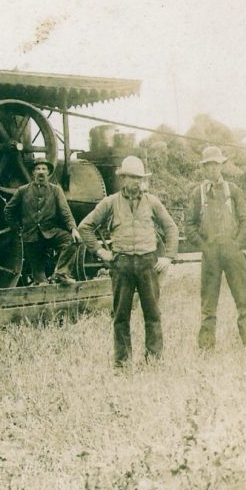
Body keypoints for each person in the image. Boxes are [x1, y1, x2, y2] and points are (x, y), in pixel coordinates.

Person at [78, 156, 178, 367]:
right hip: (121, 264)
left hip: (147, 263)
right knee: (121, 316)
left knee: (152, 314)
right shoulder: (110, 202)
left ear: (142, 181)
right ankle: (122, 363)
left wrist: (168, 256)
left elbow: (171, 228)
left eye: (138, 178)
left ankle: (154, 360)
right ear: (122, 179)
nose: (134, 182)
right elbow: (85, 227)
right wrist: (100, 252)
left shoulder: (153, 202)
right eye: (130, 177)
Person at [186, 146, 246, 350]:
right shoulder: (197, 194)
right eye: (208, 166)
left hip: (232, 251)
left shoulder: (233, 190)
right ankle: (207, 346)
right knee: (208, 302)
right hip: (210, 253)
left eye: (215, 165)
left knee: (243, 298)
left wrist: (237, 244)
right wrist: (203, 245)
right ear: (203, 168)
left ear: (221, 166)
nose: (212, 169)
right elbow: (189, 225)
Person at [3, 159, 80, 285]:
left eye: (44, 169)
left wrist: (73, 229)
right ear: (33, 172)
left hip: (51, 232)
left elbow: (65, 212)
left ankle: (61, 273)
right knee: (40, 280)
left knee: (71, 241)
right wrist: (17, 228)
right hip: (30, 236)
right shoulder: (22, 191)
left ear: (48, 172)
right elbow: (8, 210)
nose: (41, 172)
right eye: (38, 169)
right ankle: (44, 290)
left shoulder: (56, 190)